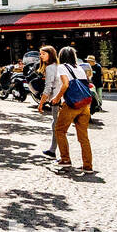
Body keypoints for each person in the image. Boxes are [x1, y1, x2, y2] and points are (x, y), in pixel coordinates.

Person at [50, 46, 94, 174]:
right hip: (84, 105)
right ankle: (88, 165)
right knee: (83, 137)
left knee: (60, 130)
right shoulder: (80, 68)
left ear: (61, 56)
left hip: (71, 105)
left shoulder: (62, 67)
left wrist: (57, 98)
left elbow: (65, 84)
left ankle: (65, 159)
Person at [34, 45, 60, 157]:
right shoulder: (59, 66)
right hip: (63, 99)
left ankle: (58, 153)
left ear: (51, 54)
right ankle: (53, 150)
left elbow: (48, 88)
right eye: (40, 54)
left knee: (57, 126)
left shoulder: (50, 68)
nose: (41, 56)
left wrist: (41, 103)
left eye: (43, 54)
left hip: (56, 100)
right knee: (57, 125)